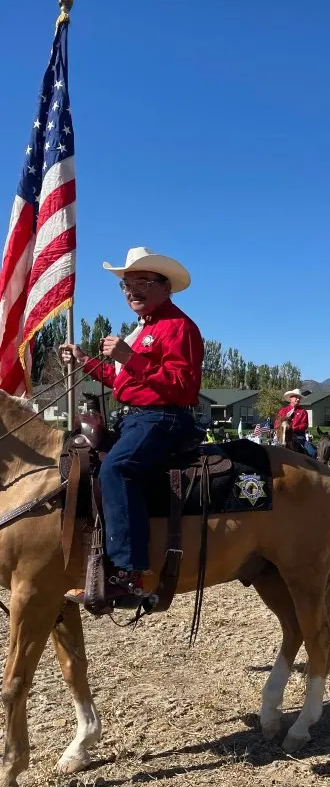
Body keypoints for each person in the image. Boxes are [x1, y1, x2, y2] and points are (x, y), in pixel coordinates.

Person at [59, 246, 204, 605]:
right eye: (126, 285)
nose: (132, 291)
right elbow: (123, 382)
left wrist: (129, 356)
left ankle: (128, 575)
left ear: (165, 287)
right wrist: (85, 360)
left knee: (118, 469)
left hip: (165, 417)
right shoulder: (143, 329)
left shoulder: (179, 327)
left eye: (142, 283)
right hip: (137, 417)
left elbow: (183, 386)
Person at [275, 389, 316, 457]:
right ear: (291, 398)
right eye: (296, 397)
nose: (298, 399)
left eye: (299, 398)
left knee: (313, 452)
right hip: (284, 437)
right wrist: (283, 427)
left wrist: (293, 428)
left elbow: (305, 425)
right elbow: (276, 424)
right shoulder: (283, 411)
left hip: (299, 437)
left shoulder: (303, 412)